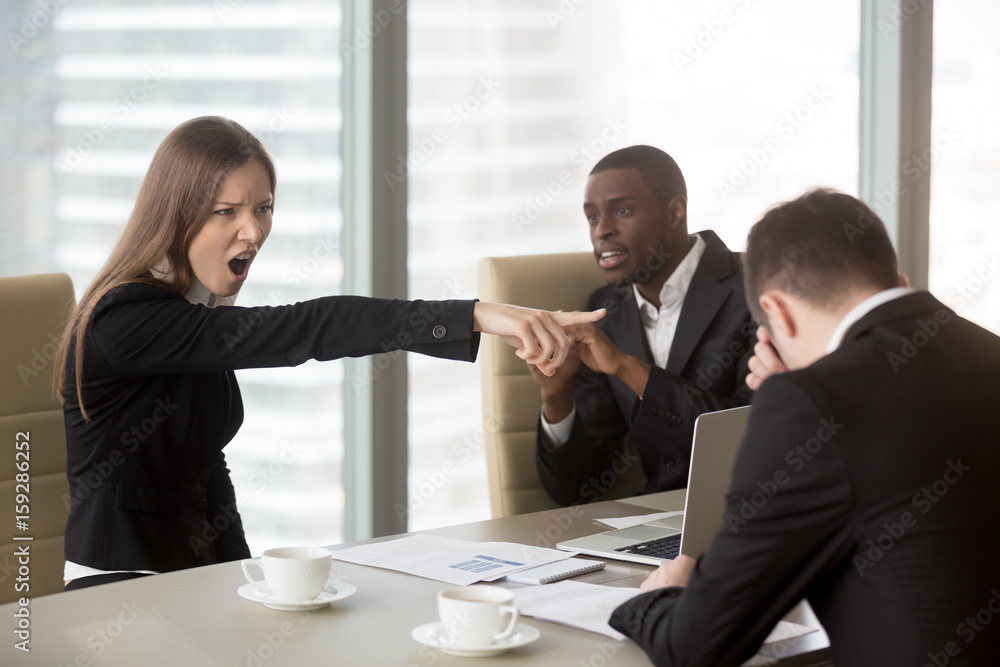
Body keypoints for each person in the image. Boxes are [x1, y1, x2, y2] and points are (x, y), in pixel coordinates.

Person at [55, 116, 603, 590]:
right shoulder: (125, 320)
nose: (254, 231)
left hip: (191, 584)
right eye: (227, 211)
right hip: (122, 588)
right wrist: (478, 314)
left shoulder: (193, 318)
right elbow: (310, 326)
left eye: (264, 208)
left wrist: (245, 586)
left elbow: (203, 466)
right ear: (176, 214)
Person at [610, 189, 1000, 666]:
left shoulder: (808, 405)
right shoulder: (986, 352)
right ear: (892, 276)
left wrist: (660, 596)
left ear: (777, 311)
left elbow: (697, 647)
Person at [533, 146, 755, 506]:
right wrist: (556, 395)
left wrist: (627, 368)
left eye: (622, 211)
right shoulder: (604, 312)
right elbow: (575, 489)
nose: (601, 231)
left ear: (674, 212)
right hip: (654, 527)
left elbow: (753, 440)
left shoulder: (757, 289)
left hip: (748, 518)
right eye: (592, 217)